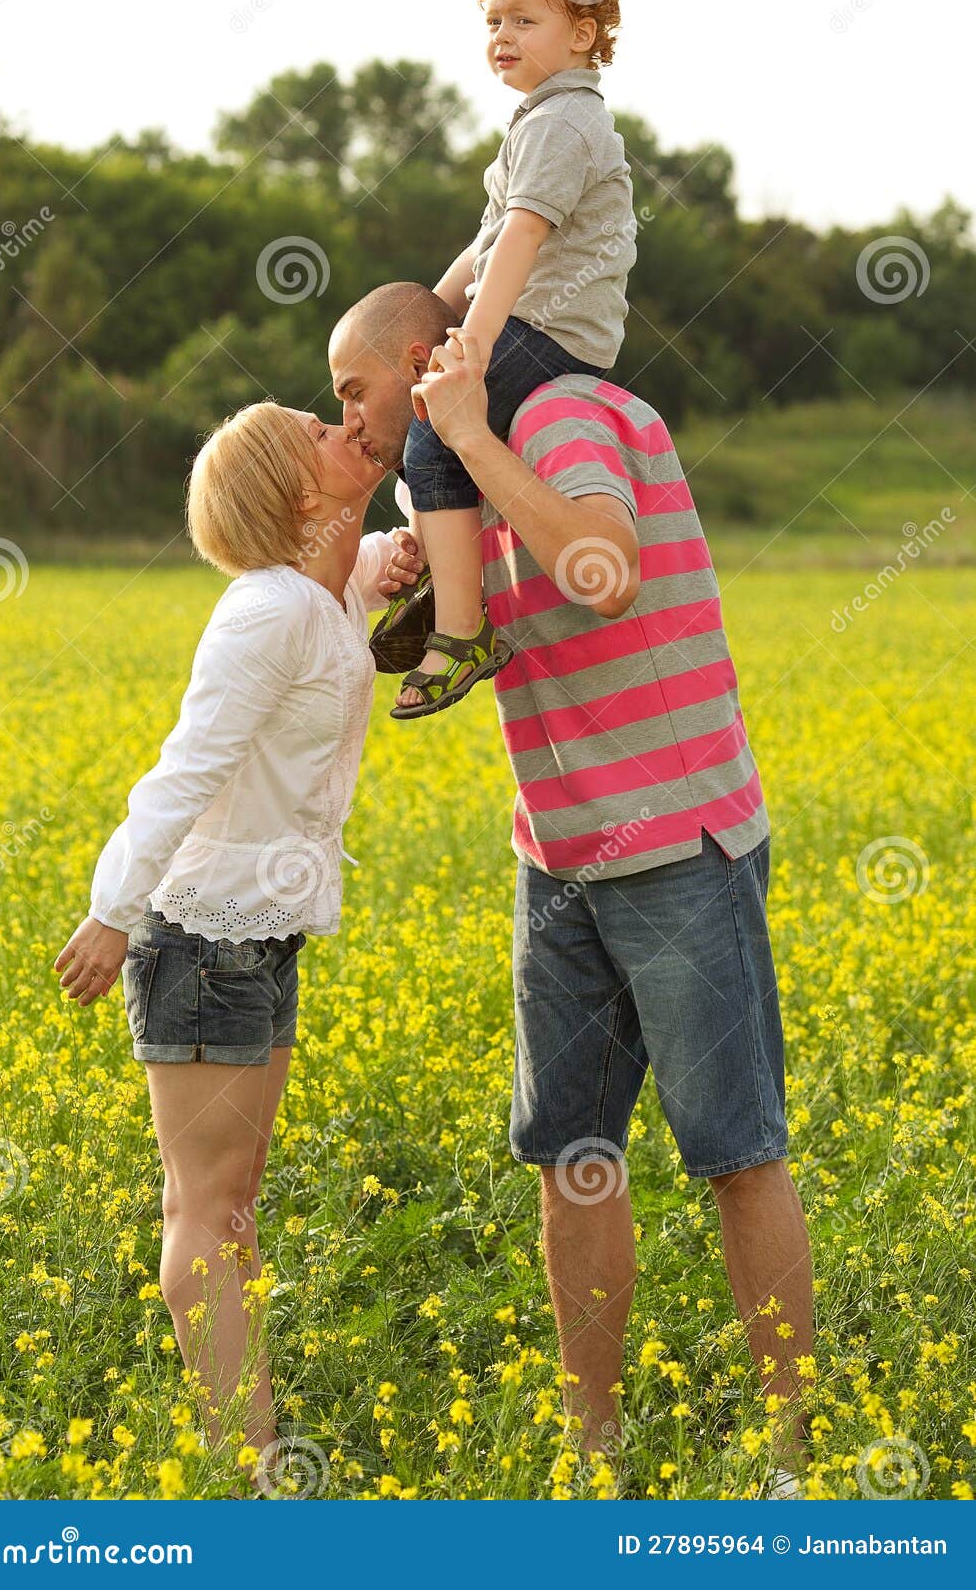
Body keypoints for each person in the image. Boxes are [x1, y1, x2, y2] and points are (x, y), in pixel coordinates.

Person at [329, 288, 813, 1498]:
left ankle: (793, 1464)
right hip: (556, 855)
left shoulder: (561, 412)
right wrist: (400, 570)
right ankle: (590, 1453)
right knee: (573, 1158)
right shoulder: (453, 470)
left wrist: (472, 440)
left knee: (736, 1154)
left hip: (675, 849)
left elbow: (601, 570)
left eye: (353, 392)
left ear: (413, 361)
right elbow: (474, 623)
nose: (351, 416)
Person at [53, 401, 404, 1488]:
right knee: (202, 1212)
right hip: (197, 935)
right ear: (292, 494)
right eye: (310, 426)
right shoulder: (266, 612)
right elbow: (186, 767)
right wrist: (114, 909)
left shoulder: (321, 592)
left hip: (260, 936)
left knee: (232, 1203)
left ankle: (248, 1437)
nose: (329, 415)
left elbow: (389, 548)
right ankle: (240, 1462)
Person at [386, 0, 638, 719]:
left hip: (548, 327)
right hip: (531, 320)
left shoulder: (564, 123)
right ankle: (445, 577)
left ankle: (461, 629)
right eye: (493, 21)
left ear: (582, 34)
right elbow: (484, 243)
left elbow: (523, 237)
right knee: (419, 434)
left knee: (434, 434)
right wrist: (419, 321)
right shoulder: (539, 122)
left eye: (523, 21)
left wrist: (474, 345)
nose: (501, 37)